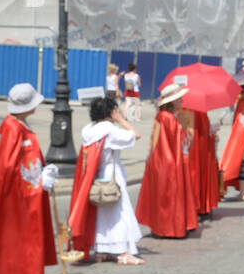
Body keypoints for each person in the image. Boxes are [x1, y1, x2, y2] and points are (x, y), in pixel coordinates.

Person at [0, 83, 58, 274]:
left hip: (25, 192)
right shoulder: (13, 127)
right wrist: (36, 180)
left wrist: (42, 171)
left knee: (23, 239)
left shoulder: (19, 124)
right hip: (17, 196)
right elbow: (7, 165)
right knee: (15, 239)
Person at [68, 95, 143, 264]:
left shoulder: (88, 129)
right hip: (112, 173)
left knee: (101, 215)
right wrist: (121, 120)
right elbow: (135, 135)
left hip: (97, 175)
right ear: (110, 112)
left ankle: (102, 250)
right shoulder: (109, 129)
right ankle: (123, 252)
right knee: (120, 212)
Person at [135, 83, 198, 237]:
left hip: (164, 160)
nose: (182, 100)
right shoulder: (167, 118)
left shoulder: (166, 116)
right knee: (168, 195)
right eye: (179, 98)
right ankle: (169, 228)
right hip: (167, 160)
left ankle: (169, 227)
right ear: (172, 101)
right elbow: (168, 142)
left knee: (163, 195)